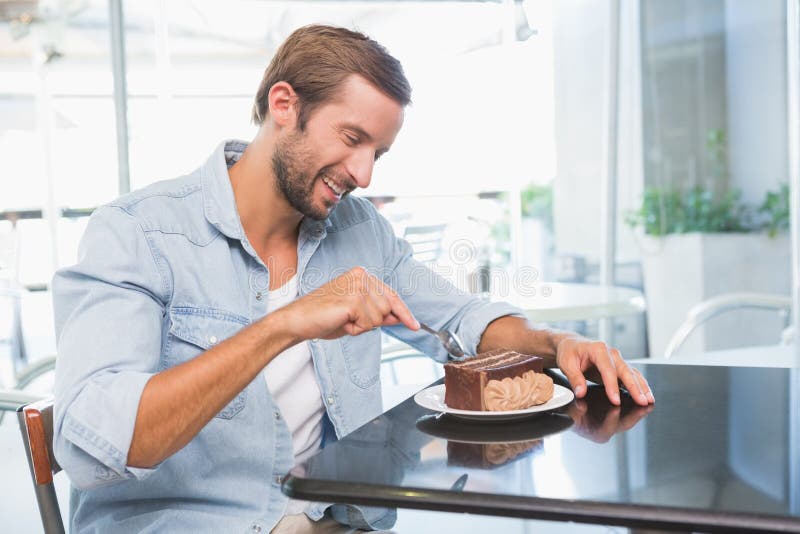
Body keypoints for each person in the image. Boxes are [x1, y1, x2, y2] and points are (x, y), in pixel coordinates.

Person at [52, 24, 654, 533]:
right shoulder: (137, 234)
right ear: (283, 105)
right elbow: (101, 443)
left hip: (336, 520)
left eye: (379, 153)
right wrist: (283, 325)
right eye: (351, 139)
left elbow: (463, 321)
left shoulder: (359, 231)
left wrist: (557, 345)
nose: (363, 174)